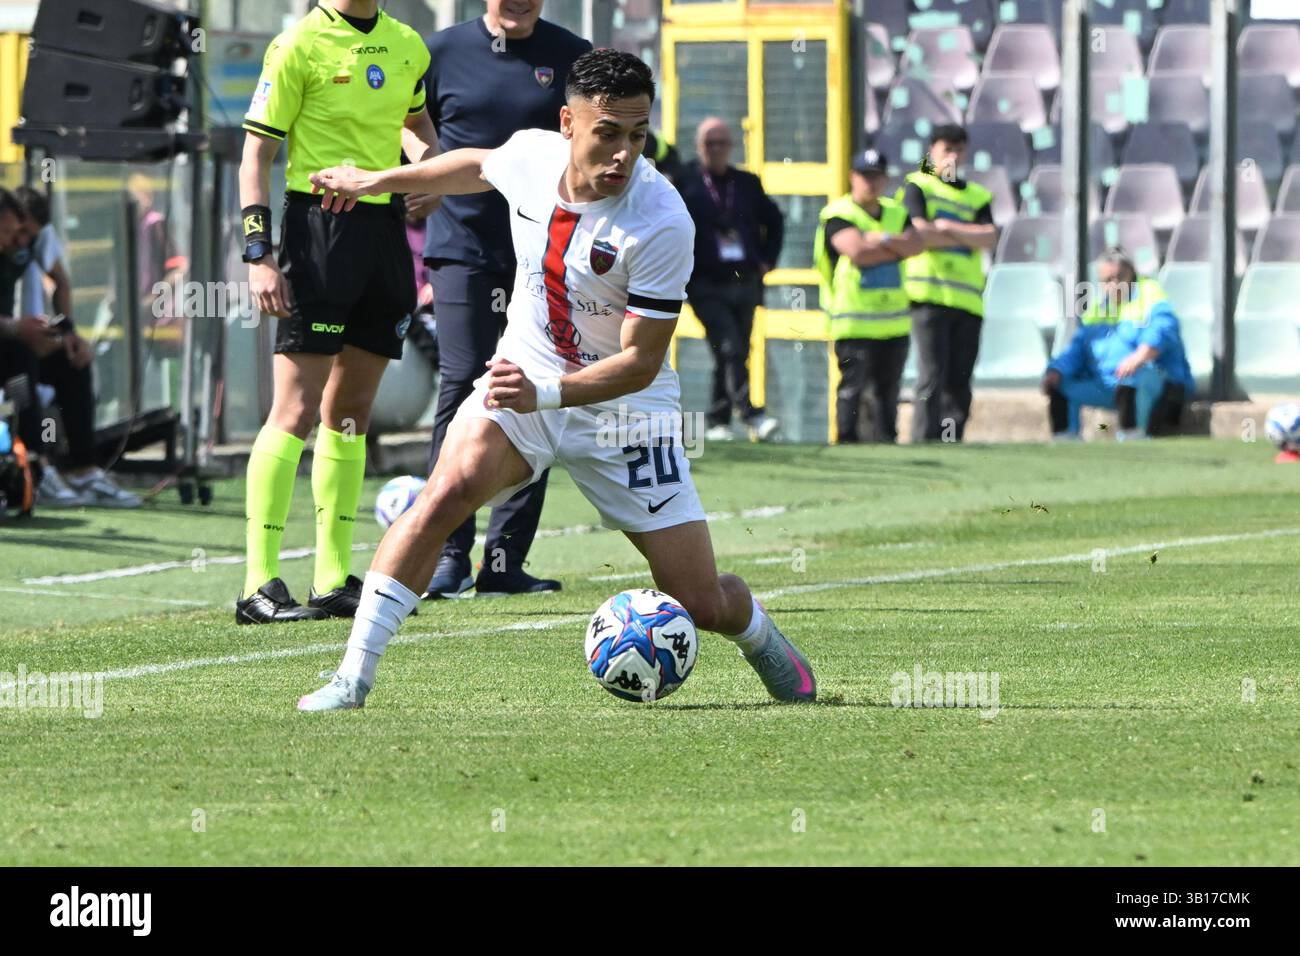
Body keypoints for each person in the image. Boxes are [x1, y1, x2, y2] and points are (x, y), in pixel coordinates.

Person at [297, 49, 817, 711]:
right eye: (607, 132)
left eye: (638, 134)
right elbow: (476, 166)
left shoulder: (662, 221)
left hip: (626, 412)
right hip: (525, 379)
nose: (624, 152)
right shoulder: (531, 156)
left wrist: (544, 394)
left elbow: (640, 362)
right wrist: (378, 180)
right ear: (568, 123)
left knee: (699, 600)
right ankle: (352, 679)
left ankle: (758, 633)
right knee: (443, 493)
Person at [236, 0, 438, 624]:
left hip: (383, 238)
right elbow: (255, 158)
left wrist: (427, 171)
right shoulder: (296, 44)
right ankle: (257, 584)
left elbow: (418, 127)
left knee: (349, 414)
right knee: (295, 410)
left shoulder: (409, 43)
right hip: (317, 231)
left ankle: (331, 578)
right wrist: (257, 254)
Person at [415, 0, 590, 599]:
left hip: (543, 252)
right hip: (461, 247)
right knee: (463, 378)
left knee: (532, 385)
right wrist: (422, 175)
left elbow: (595, 139)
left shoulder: (572, 56)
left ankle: (504, 561)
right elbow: (406, 123)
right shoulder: (439, 52)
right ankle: (446, 552)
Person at [0, 187, 141, 508]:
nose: (18, 242)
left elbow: (61, 281)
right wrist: (15, 329)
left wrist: (68, 331)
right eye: (13, 232)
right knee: (20, 360)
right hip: (9, 343)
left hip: (8, 338)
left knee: (70, 360)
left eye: (23, 233)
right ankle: (36, 467)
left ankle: (84, 470)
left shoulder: (29, 239)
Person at [676, 117, 783, 442]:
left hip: (744, 280)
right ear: (698, 146)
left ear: (732, 146)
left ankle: (718, 420)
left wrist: (767, 260)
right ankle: (752, 413)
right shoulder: (684, 181)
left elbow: (775, 219)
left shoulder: (747, 183)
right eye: (709, 143)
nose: (716, 149)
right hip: (705, 282)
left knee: (734, 350)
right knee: (729, 344)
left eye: (722, 142)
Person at [814, 149, 923, 443]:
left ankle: (887, 440)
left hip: (893, 323)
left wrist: (880, 238)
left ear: (886, 179)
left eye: (876, 177)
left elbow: (916, 246)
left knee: (889, 391)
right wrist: (892, 246)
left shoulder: (896, 212)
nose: (871, 183)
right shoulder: (838, 214)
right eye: (865, 176)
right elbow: (857, 252)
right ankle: (847, 442)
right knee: (852, 390)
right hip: (854, 323)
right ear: (853, 177)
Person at [901, 124, 998, 443]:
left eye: (959, 150)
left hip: (967, 301)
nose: (953, 156)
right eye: (947, 149)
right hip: (928, 297)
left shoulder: (977, 194)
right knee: (931, 377)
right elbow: (921, 233)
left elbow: (990, 238)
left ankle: (950, 441)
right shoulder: (918, 185)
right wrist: (963, 233)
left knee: (959, 380)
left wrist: (945, 227)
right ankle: (924, 442)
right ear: (932, 152)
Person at [1043, 249, 1194, 441]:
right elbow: (1077, 349)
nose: (1113, 285)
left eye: (1118, 278)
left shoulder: (1149, 293)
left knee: (1133, 378)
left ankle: (1132, 435)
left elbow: (1164, 328)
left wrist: (1139, 356)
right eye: (1107, 281)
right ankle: (1066, 440)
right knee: (1060, 383)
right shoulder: (1099, 309)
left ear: (1131, 274)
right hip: (1107, 385)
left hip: (1152, 380)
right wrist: (1056, 369)